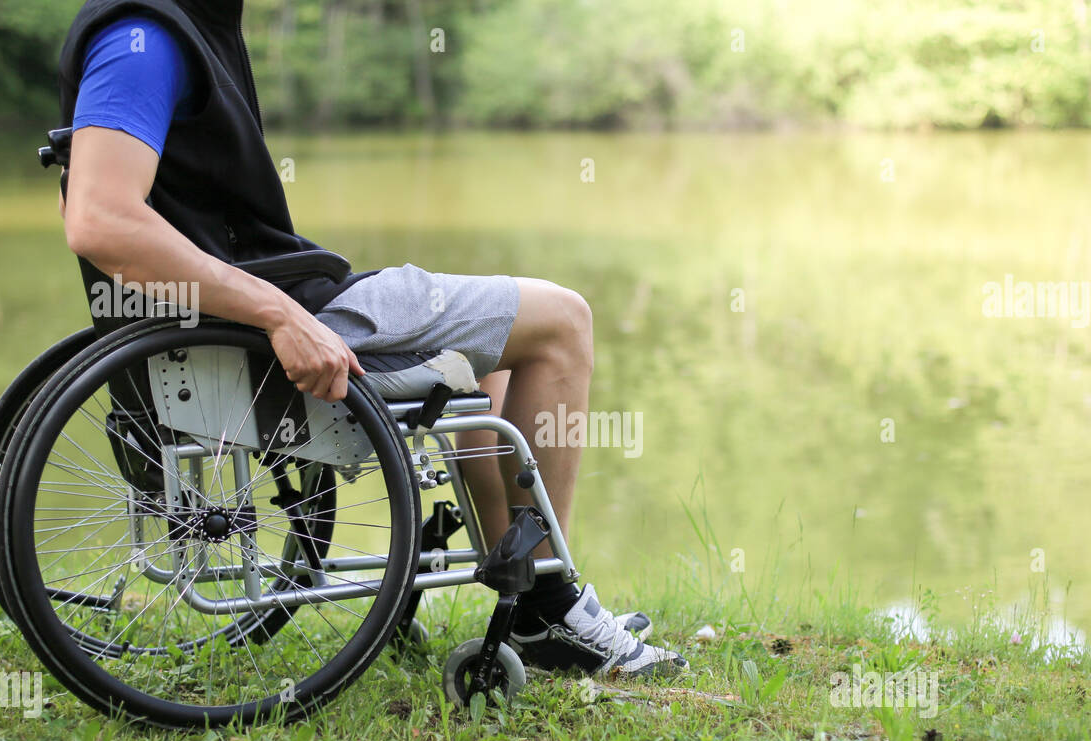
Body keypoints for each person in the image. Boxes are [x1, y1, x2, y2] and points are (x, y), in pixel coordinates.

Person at [57, 0, 687, 677]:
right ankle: (550, 607)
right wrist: (281, 316)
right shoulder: (143, 42)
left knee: (495, 345)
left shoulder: (182, 27)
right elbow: (99, 220)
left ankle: (535, 592)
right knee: (563, 321)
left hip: (264, 309)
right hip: (274, 325)